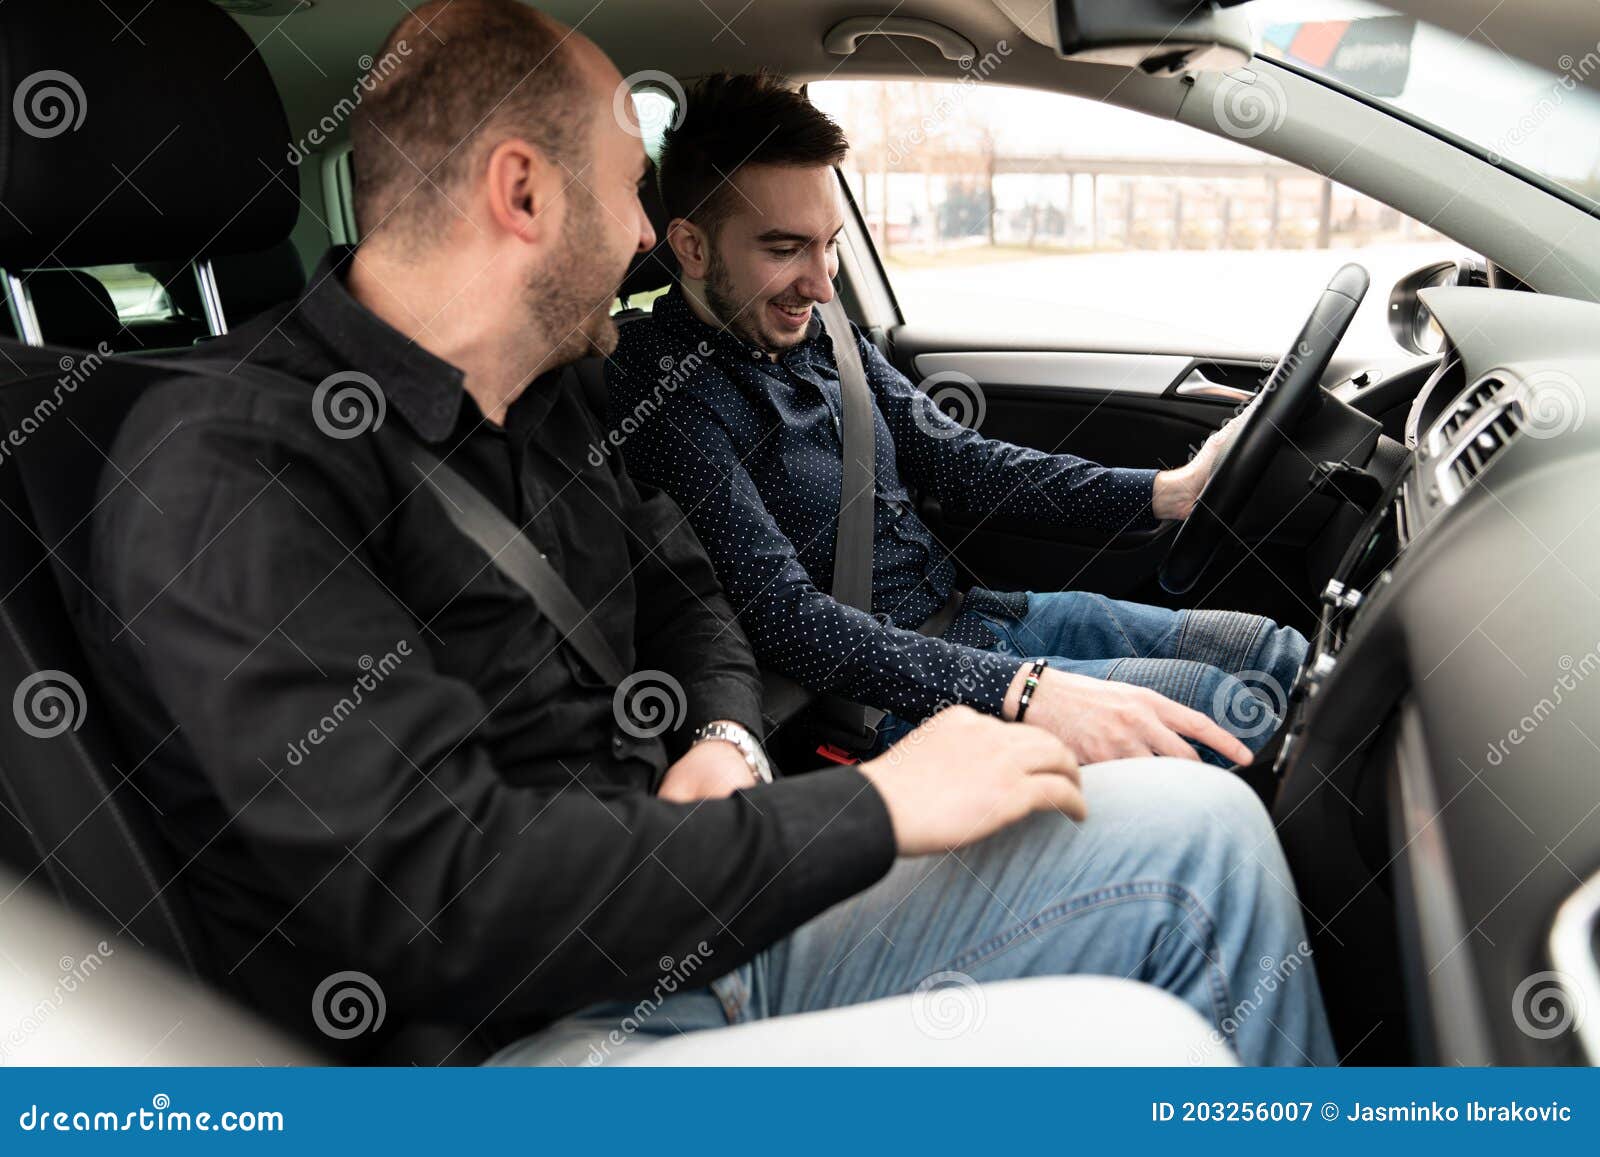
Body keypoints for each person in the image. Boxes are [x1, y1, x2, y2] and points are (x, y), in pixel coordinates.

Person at [84, 0, 1332, 1065]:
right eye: (631, 188)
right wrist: (879, 808)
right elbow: (438, 895)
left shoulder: (550, 391)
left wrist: (726, 741)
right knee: (1171, 944)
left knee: (1204, 829)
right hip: (525, 1033)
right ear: (522, 191)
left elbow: (697, 600)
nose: (640, 236)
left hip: (692, 900)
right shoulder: (229, 466)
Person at [608, 73, 1308, 769]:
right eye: (786, 249)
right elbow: (787, 620)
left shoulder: (821, 330)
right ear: (693, 248)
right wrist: (1018, 690)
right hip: (886, 704)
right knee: (1233, 717)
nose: (822, 284)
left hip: (982, 620)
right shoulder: (664, 392)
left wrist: (1167, 490)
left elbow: (962, 460)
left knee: (1277, 654)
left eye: (830, 245)